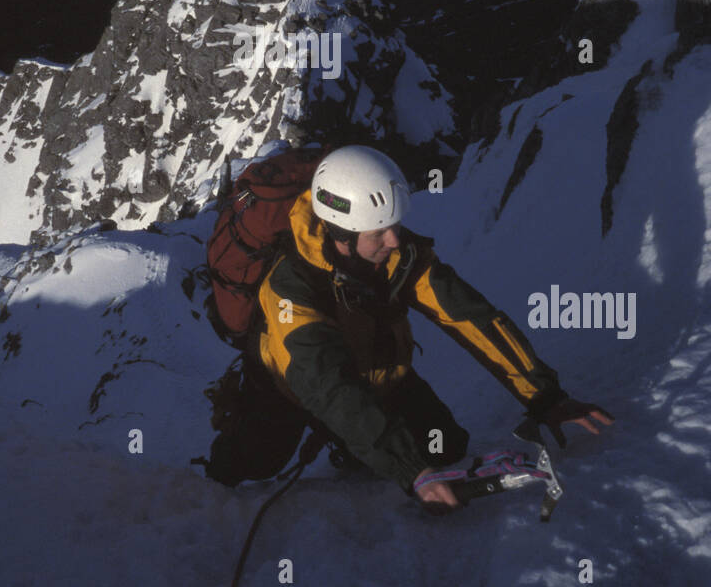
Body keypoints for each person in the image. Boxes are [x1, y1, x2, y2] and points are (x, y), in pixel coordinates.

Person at [203, 145, 614, 509]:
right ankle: (207, 481)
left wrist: (543, 395)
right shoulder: (289, 288)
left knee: (445, 444)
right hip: (287, 390)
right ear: (341, 235)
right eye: (379, 231)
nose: (395, 240)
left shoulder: (400, 258)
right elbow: (328, 387)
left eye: (395, 226)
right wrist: (411, 472)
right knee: (253, 463)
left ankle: (356, 442)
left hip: (375, 376)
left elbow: (470, 317)